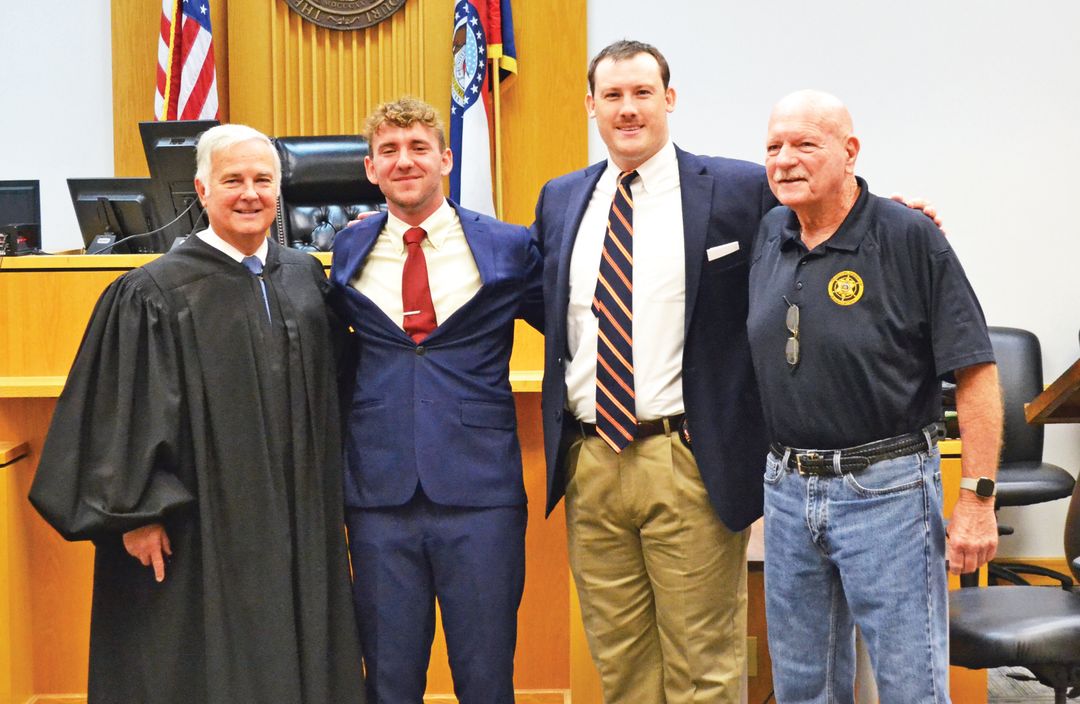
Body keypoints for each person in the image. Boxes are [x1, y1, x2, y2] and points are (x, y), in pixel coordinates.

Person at [28, 124, 365, 704]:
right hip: (200, 525)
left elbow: (338, 386)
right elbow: (121, 415)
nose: (250, 193)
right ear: (202, 190)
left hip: (298, 514)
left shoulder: (304, 277)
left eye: (263, 180)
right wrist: (136, 513)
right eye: (233, 180)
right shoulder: (152, 292)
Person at [531, 39, 778, 703]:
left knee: (705, 666)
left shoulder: (736, 189)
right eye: (613, 96)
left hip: (686, 459)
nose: (628, 109)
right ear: (591, 107)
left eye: (642, 93)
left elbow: (812, 241)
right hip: (590, 463)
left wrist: (896, 217)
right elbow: (543, 307)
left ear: (670, 99)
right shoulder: (561, 199)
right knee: (623, 667)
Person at [747, 89, 1001, 703]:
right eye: (774, 147)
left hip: (885, 491)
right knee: (804, 687)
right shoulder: (770, 230)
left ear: (850, 152)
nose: (786, 159)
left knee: (911, 682)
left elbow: (976, 373)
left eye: (806, 143)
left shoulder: (910, 236)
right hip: (787, 491)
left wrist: (976, 499)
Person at [328, 97, 543, 704]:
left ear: (446, 159)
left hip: (481, 496)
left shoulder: (507, 246)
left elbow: (572, 325)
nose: (404, 162)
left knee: (485, 677)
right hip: (378, 496)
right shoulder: (349, 250)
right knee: (390, 680)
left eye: (419, 147)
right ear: (370, 168)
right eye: (389, 151)